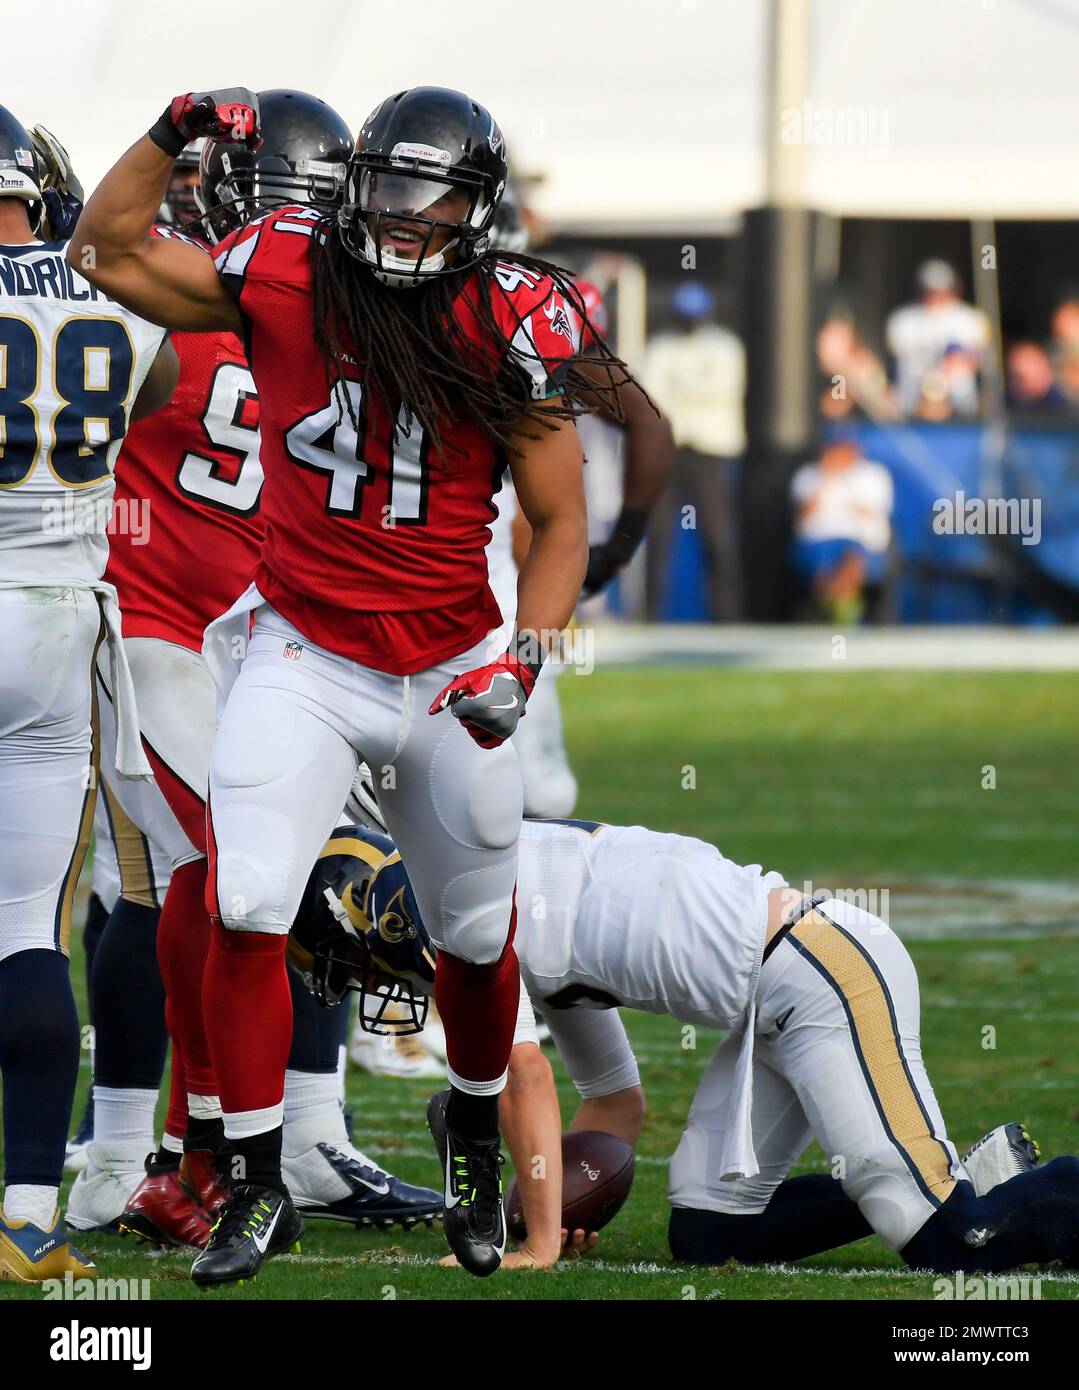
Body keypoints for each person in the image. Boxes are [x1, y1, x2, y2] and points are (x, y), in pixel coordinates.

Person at [71, 84, 626, 1282]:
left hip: (450, 663)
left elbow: (560, 518)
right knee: (246, 900)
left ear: (477, 211)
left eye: (429, 198)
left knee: (475, 941)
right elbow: (106, 246)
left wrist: (524, 659)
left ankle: (472, 1138)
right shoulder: (287, 264)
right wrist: (173, 132)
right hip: (304, 646)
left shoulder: (509, 313)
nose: (401, 217)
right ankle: (253, 1180)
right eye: (384, 187)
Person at [64, 98, 441, 1249]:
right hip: (155, 630)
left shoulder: (233, 297)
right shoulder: (309, 307)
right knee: (214, 875)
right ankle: (164, 1153)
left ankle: (209, 1149)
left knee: (239, 878)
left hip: (253, 638)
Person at [289, 822, 1079, 1276]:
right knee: (708, 1237)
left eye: (346, 959)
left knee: (954, 1246)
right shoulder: (513, 899)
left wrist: (530, 1242)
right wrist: (551, 1201)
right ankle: (947, 1177)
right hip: (768, 1001)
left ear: (366, 915)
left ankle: (974, 1191)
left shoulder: (457, 904)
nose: (364, 978)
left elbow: (519, 1073)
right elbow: (614, 1101)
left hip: (822, 972)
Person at [0, 108, 178, 1283]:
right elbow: (151, 397)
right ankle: (22, 1212)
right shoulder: (111, 291)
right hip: (60, 616)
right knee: (27, 926)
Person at [643, 281, 745, 621]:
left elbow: (721, 391)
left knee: (717, 533)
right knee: (658, 533)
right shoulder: (662, 346)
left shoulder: (725, 347)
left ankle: (726, 615)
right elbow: (653, 397)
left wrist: (681, 389)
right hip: (670, 449)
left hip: (710, 449)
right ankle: (650, 613)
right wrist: (690, 391)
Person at [790, 438, 893, 624]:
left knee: (853, 561)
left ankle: (836, 609)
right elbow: (802, 516)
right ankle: (840, 611)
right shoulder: (809, 475)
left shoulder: (873, 475)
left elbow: (871, 512)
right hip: (817, 541)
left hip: (859, 540)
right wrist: (826, 477)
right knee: (820, 566)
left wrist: (845, 483)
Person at [885, 260, 989, 418]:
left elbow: (971, 359)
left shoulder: (970, 319)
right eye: (930, 291)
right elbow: (896, 363)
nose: (934, 296)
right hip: (911, 398)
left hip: (959, 402)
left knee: (959, 381)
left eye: (941, 290)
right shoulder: (903, 320)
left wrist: (938, 383)